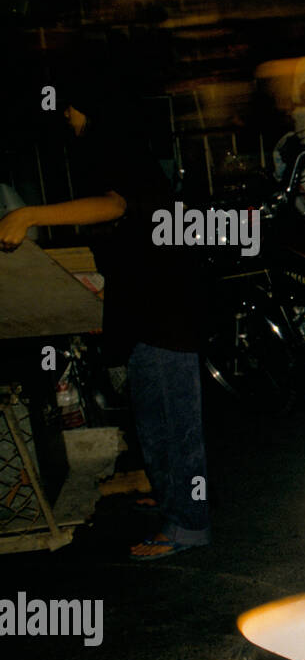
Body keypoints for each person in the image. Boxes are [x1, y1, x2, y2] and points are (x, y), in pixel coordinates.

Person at [0, 81, 211, 561]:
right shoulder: (122, 141)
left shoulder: (107, 142)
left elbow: (114, 205)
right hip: (150, 301)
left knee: (172, 423)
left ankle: (189, 523)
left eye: (70, 109)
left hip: (164, 306)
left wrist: (29, 215)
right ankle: (173, 496)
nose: (66, 118)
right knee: (155, 417)